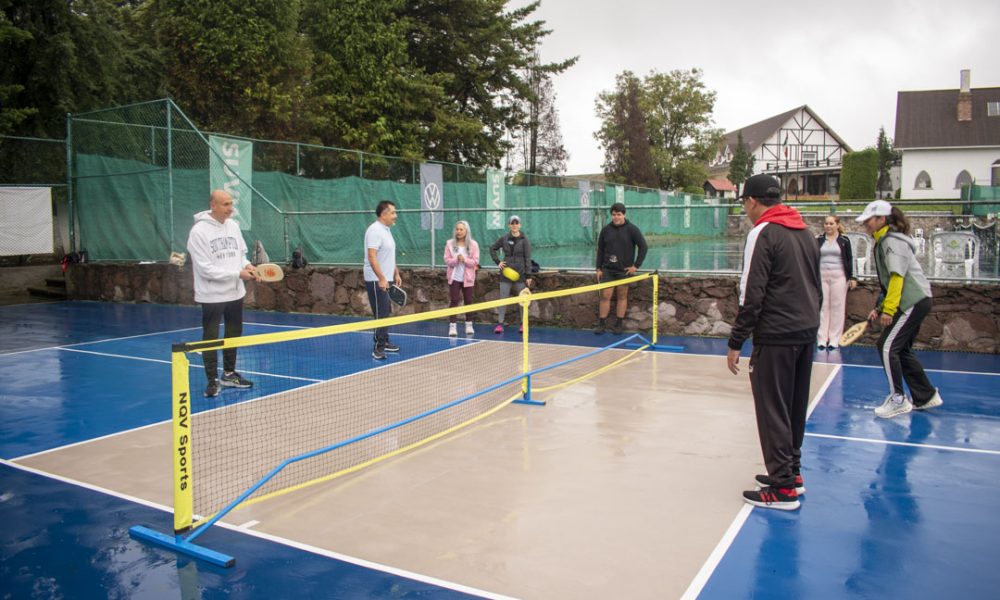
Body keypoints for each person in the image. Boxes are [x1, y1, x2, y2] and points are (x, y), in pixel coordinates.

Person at [726, 174, 821, 511]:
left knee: (772, 410)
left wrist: (737, 340)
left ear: (752, 201)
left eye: (743, 203)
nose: (745, 209)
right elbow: (815, 283)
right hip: (805, 331)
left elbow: (752, 292)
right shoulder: (804, 231)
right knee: (794, 407)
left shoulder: (762, 232)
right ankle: (791, 473)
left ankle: (782, 490)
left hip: (777, 335)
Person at [856, 200, 942, 418]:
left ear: (882, 219)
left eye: (869, 220)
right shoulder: (884, 241)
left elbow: (897, 278)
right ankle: (926, 395)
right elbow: (888, 282)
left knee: (886, 346)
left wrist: (889, 310)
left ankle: (897, 399)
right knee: (900, 349)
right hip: (915, 300)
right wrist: (880, 307)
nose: (865, 224)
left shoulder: (890, 242)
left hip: (912, 301)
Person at [187, 189, 259, 397]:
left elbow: (241, 255)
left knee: (234, 333)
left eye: (231, 204)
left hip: (235, 293)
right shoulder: (198, 232)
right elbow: (204, 268)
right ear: (213, 205)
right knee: (210, 337)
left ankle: (229, 374)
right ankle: (211, 381)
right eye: (226, 204)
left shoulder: (234, 226)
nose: (231, 209)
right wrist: (238, 273)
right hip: (211, 295)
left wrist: (249, 267)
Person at [594, 202, 648, 334]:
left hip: (624, 271)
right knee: (605, 295)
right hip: (607, 269)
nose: (616, 217)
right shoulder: (606, 230)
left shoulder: (632, 229)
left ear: (624, 214)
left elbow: (643, 247)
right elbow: (600, 249)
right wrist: (598, 268)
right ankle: (602, 324)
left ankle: (618, 324)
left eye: (618, 214)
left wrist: (636, 266)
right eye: (613, 215)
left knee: (622, 296)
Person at [364, 200, 402, 360]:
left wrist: (396, 274)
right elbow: (372, 256)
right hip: (375, 279)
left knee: (386, 311)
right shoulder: (374, 230)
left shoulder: (386, 230)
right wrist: (381, 278)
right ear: (384, 214)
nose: (395, 216)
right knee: (381, 313)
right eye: (393, 212)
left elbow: (388, 255)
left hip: (387, 279)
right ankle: (378, 348)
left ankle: (385, 341)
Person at [816, 215, 857, 350]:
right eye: (826, 224)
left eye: (831, 224)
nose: (828, 226)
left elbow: (850, 259)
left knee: (837, 307)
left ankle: (834, 339)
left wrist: (852, 277)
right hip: (822, 276)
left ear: (837, 225)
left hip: (839, 277)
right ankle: (822, 339)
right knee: (823, 306)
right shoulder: (819, 239)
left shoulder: (844, 240)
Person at [489, 215, 533, 334]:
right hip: (506, 273)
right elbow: (492, 248)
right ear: (509, 225)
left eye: (516, 223)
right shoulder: (504, 238)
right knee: (503, 298)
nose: (514, 225)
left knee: (522, 300)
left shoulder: (525, 240)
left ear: (520, 225)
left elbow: (528, 258)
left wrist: (528, 275)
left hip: (520, 274)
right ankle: (500, 324)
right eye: (512, 223)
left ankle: (523, 324)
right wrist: (498, 262)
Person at [443, 220, 480, 336]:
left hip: (468, 278)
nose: (458, 232)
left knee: (468, 301)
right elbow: (447, 260)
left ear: (466, 231)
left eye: (461, 229)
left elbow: (475, 261)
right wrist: (456, 260)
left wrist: (465, 260)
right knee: (454, 300)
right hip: (454, 278)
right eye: (457, 229)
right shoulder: (449, 244)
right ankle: (452, 326)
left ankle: (469, 324)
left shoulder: (473, 244)